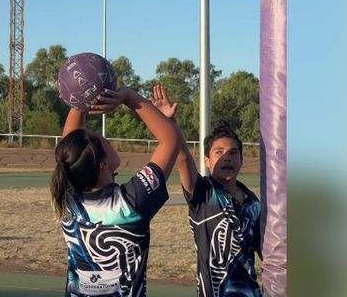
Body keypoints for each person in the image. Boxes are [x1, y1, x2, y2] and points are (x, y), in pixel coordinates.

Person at [51, 86, 182, 297]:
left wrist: (80, 97)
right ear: (103, 163)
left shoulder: (66, 199)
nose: (109, 142)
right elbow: (170, 140)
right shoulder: (132, 202)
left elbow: (70, 147)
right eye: (105, 141)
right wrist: (128, 97)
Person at [151, 85, 263, 297]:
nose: (226, 157)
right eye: (218, 152)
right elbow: (182, 155)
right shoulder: (203, 193)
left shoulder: (254, 204)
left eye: (233, 152)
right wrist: (169, 122)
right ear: (207, 161)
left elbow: (269, 253)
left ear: (241, 159)